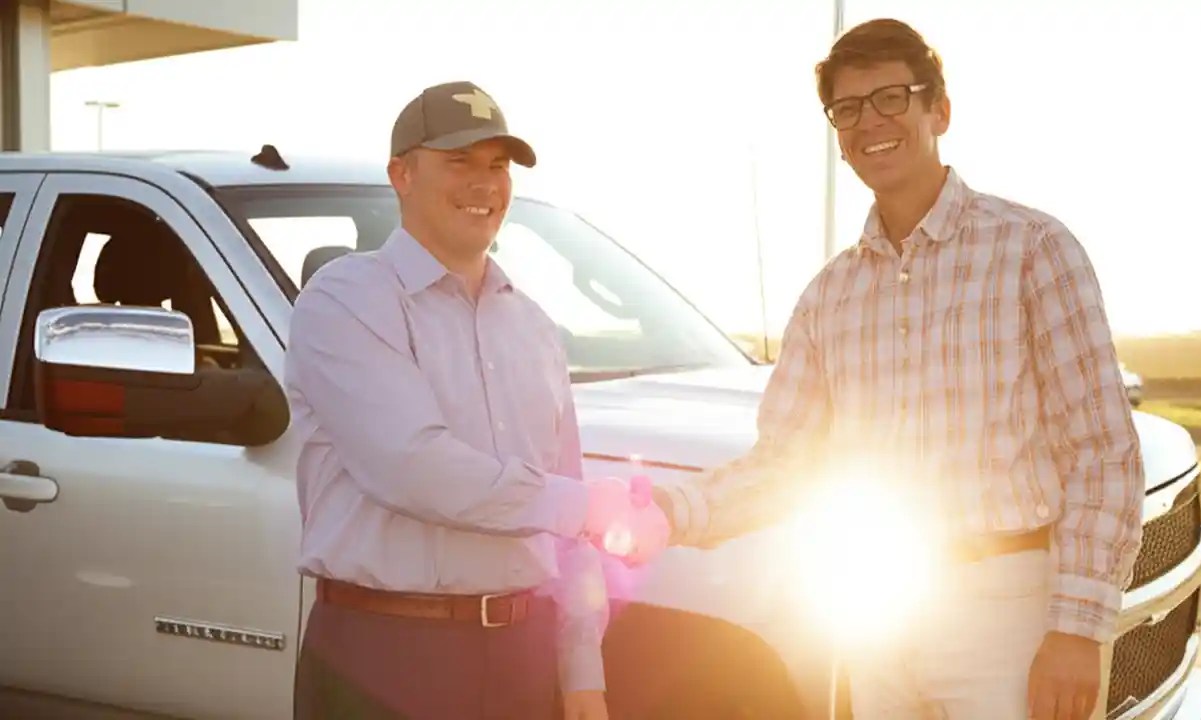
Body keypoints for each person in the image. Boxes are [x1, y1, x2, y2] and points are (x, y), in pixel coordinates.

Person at [652, 19, 1144, 720]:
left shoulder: (1033, 250)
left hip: (1005, 613)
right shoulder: (829, 296)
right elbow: (784, 465)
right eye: (847, 109)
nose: (868, 122)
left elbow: (1101, 450)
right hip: (873, 617)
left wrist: (1076, 628)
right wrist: (669, 512)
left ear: (938, 110)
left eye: (890, 98)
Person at [285, 80, 669, 720]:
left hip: (523, 657)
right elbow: (413, 467)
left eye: (497, 165)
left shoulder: (536, 329)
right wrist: (586, 507)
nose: (484, 183)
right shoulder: (345, 300)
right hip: (384, 658)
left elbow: (567, 520)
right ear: (401, 173)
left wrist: (582, 674)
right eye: (458, 161)